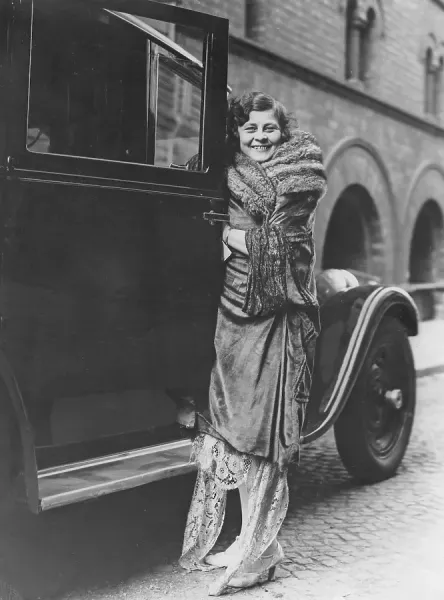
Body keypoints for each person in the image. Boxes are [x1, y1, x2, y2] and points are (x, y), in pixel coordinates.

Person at [179, 91, 327, 595]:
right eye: (251, 129)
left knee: (263, 432)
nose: (261, 137)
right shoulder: (229, 171)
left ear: (283, 132)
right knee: (235, 430)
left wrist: (229, 236)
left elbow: (286, 245)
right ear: (237, 134)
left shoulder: (300, 175)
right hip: (232, 310)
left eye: (270, 129)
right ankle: (255, 541)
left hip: (275, 313)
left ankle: (259, 553)